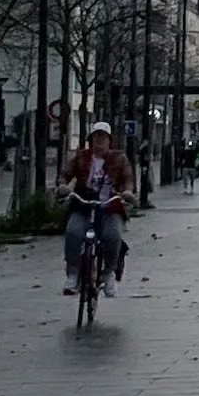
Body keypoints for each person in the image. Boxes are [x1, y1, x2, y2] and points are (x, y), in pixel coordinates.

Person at [62, 122, 131, 297]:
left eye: (103, 137)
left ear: (110, 140)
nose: (99, 140)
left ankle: (108, 273)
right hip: (83, 204)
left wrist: (128, 192)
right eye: (96, 136)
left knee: (112, 235)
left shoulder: (119, 159)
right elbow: (65, 175)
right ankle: (73, 273)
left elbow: (128, 179)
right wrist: (62, 186)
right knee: (73, 232)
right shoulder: (80, 157)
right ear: (90, 139)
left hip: (110, 206)